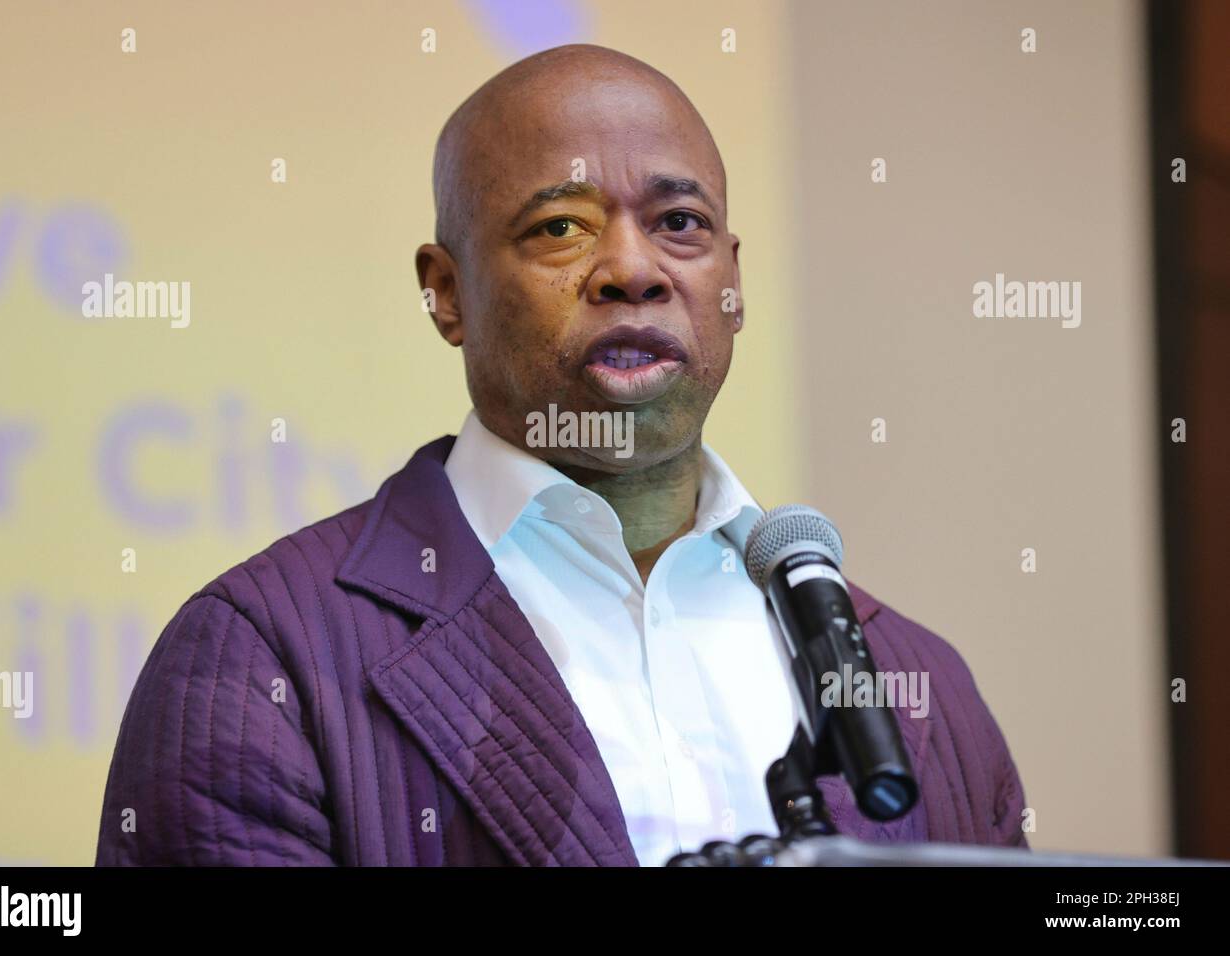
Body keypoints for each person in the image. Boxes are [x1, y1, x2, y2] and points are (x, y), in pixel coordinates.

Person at [95, 43, 1028, 867]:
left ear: (733, 281)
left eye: (681, 224)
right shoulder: (264, 655)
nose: (633, 268)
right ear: (447, 294)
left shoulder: (921, 688)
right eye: (560, 228)